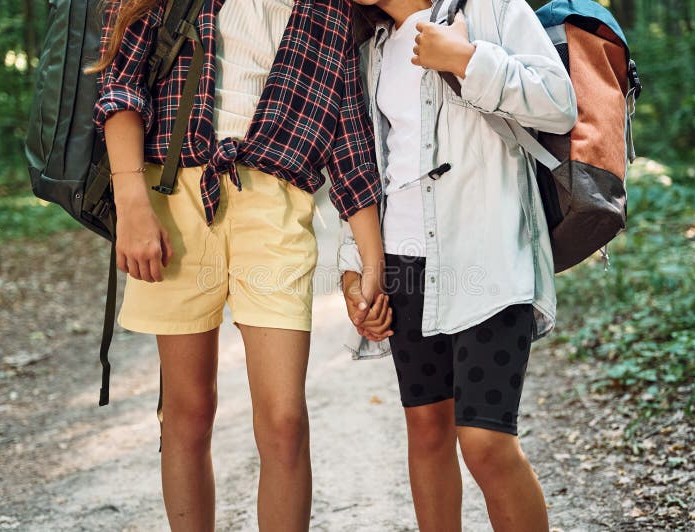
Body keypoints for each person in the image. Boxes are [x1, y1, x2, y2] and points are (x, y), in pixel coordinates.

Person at [87, 1, 385, 530]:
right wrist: (131, 202)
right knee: (188, 412)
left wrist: (372, 263)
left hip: (275, 207)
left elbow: (351, 140)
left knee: (284, 419)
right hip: (170, 195)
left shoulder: (330, 10)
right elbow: (120, 87)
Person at [340, 0, 577, 530]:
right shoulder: (371, 47)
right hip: (402, 263)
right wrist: (356, 268)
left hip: (488, 255)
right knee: (426, 433)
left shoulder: (492, 8)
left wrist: (468, 59)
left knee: (486, 443)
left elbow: (559, 103)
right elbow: (368, 163)